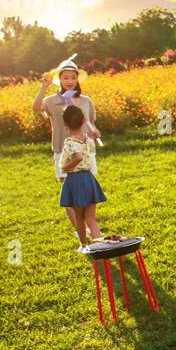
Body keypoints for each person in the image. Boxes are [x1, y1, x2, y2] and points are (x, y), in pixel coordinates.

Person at [34, 55, 103, 242]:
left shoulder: (86, 101)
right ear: (60, 79)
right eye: (66, 78)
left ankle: (90, 226)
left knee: (87, 192)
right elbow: (36, 106)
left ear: (77, 79)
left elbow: (91, 124)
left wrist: (95, 131)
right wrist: (43, 87)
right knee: (70, 196)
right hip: (62, 152)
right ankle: (81, 231)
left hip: (85, 152)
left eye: (73, 78)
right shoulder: (51, 100)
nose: (70, 81)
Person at [58, 105, 107, 253]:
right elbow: (86, 155)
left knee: (79, 217)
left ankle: (85, 245)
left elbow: (78, 157)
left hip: (76, 181)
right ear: (82, 122)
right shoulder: (87, 140)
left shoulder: (70, 142)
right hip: (88, 178)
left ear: (65, 124)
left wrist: (65, 167)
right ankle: (99, 244)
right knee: (91, 217)